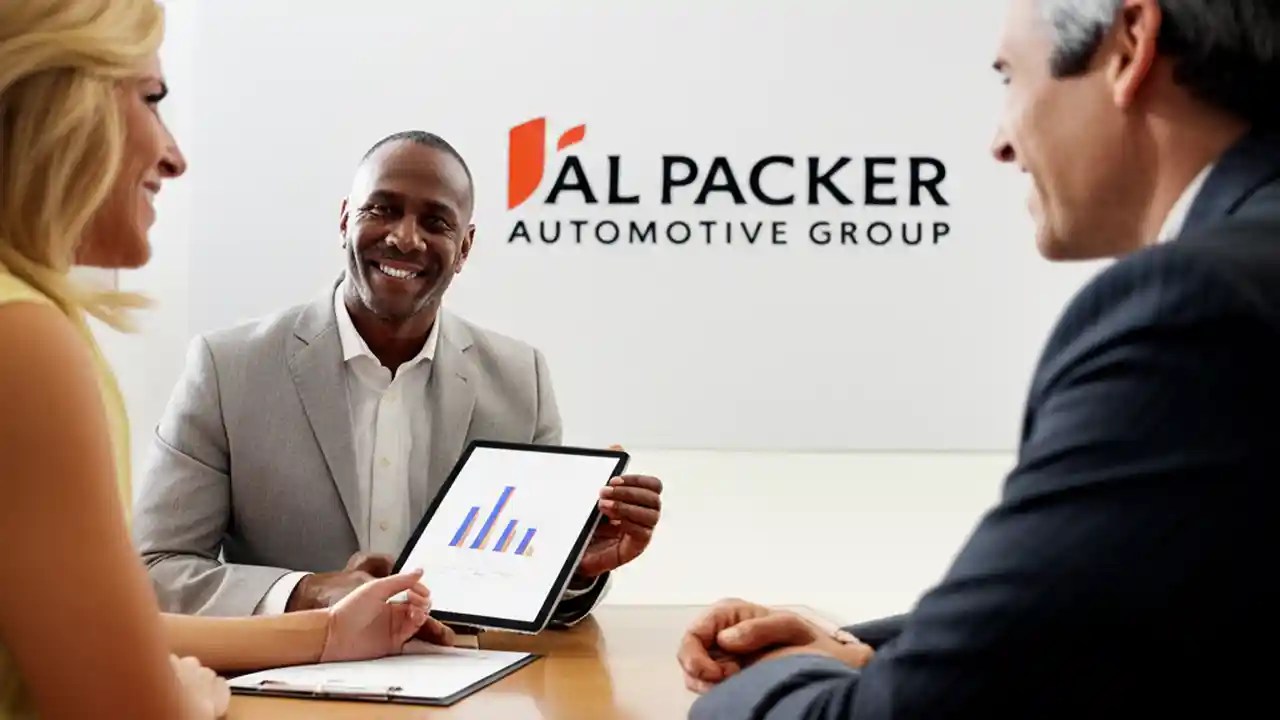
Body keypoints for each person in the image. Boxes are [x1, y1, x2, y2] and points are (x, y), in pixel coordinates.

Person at [677, 0, 1280, 717]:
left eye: (1008, 77)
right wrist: (861, 650)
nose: (1000, 142)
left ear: (1129, 45)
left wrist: (752, 688)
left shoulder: (1195, 307)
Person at [0, 2, 444, 718]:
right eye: (150, 98)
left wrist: (328, 632)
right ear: (58, 104)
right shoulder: (24, 340)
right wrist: (186, 698)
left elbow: (86, 623)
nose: (174, 155)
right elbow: (126, 699)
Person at [131, 130, 664, 627]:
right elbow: (154, 569)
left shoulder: (521, 381)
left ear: (466, 246)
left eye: (436, 222)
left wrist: (576, 570)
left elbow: (520, 584)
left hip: (458, 686)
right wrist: (307, 592)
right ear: (345, 220)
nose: (405, 238)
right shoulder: (228, 370)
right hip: (281, 682)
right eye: (382, 210)